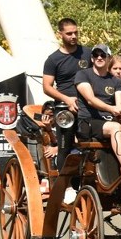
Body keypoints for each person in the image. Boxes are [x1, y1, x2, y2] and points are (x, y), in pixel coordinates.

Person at [41, 17, 89, 179]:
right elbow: (47, 87)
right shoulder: (53, 59)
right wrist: (67, 99)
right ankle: (65, 187)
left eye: (76, 32)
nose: (73, 36)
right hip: (65, 109)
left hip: (88, 106)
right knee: (64, 147)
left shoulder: (88, 53)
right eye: (69, 33)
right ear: (60, 34)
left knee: (92, 145)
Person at [75, 43, 121, 165]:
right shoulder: (83, 75)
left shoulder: (116, 81)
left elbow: (120, 103)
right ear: (92, 58)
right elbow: (91, 100)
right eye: (96, 55)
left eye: (103, 55)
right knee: (116, 127)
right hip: (87, 122)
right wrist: (111, 108)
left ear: (109, 58)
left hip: (108, 121)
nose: (99, 57)